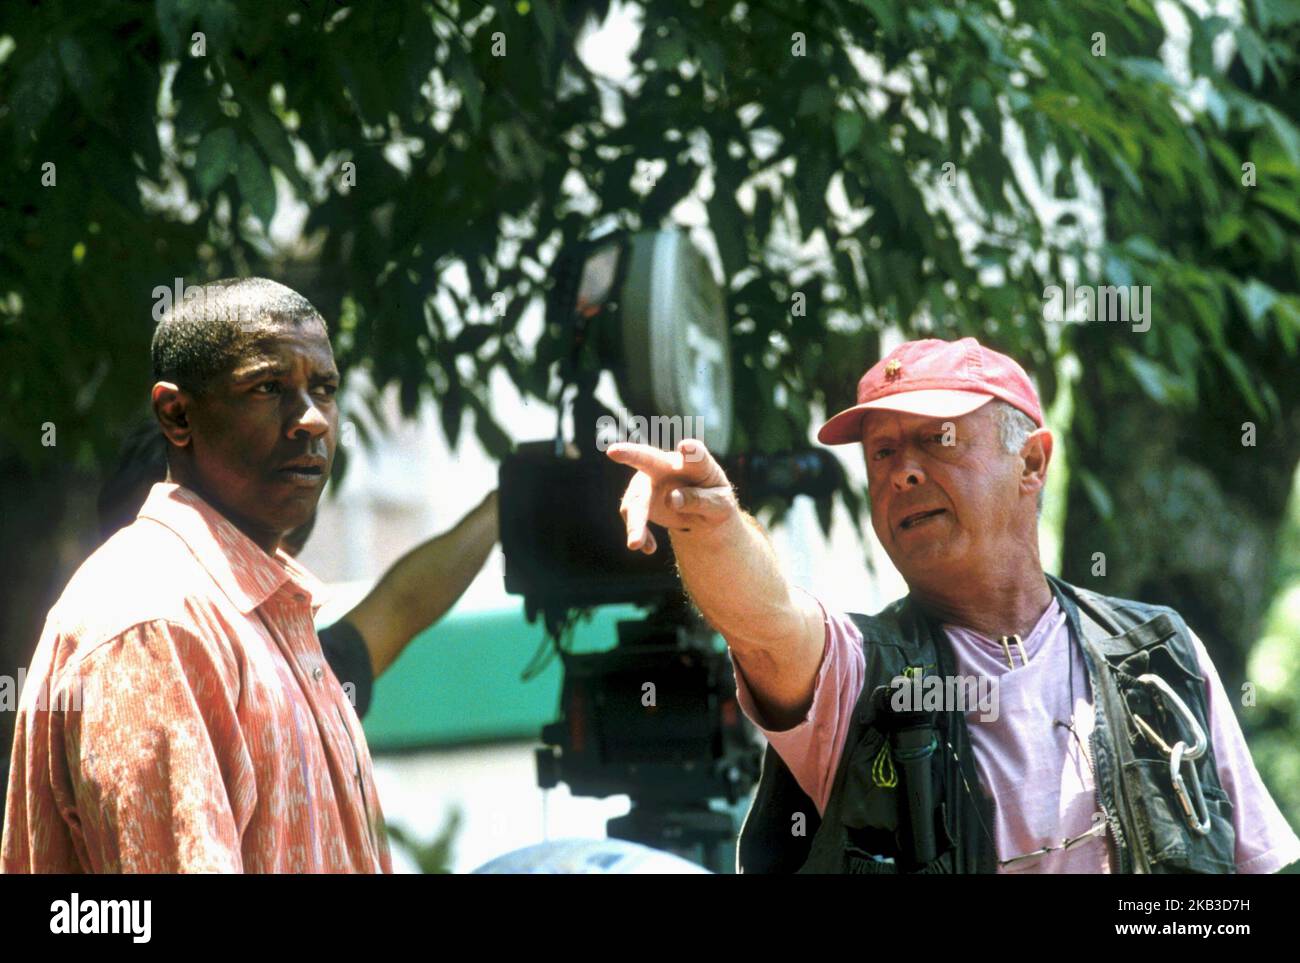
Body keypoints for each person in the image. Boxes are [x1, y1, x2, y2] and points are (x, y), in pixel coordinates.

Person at [607, 336, 1300, 874]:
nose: (902, 471)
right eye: (882, 452)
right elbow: (765, 620)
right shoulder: (864, 675)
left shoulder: (1157, 654)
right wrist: (711, 521)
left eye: (936, 440)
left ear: (1030, 463)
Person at [5, 277, 439, 872]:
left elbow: (407, 604)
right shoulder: (153, 618)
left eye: (325, 388)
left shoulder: (270, 606)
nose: (311, 419)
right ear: (177, 415)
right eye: (268, 387)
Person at [93, 420, 499, 721]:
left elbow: (402, 606)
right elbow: (400, 607)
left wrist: (502, 506)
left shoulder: (302, 673)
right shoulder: (123, 687)